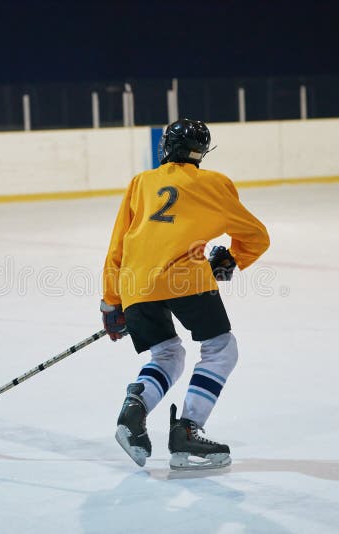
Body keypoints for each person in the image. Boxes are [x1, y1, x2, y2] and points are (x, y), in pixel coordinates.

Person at [100, 118, 270, 470]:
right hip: (186, 279)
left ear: (165, 148)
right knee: (221, 349)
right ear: (202, 153)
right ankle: (187, 430)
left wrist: (111, 302)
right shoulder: (215, 184)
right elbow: (256, 236)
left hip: (135, 283)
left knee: (166, 354)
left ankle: (135, 409)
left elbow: (117, 244)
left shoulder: (141, 182)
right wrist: (230, 259)